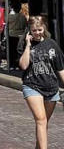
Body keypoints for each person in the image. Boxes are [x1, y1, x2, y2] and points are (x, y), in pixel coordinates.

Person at [19, 16, 64, 149]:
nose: (37, 33)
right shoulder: (25, 44)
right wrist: (28, 45)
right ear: (29, 31)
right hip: (32, 85)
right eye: (34, 30)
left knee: (43, 124)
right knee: (41, 120)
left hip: (51, 88)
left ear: (44, 28)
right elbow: (23, 65)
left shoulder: (52, 45)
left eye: (39, 29)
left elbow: (60, 69)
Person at [8, 3, 29, 70]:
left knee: (12, 51)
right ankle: (18, 65)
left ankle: (12, 65)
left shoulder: (10, 16)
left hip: (11, 34)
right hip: (20, 35)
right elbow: (25, 25)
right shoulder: (23, 17)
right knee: (19, 51)